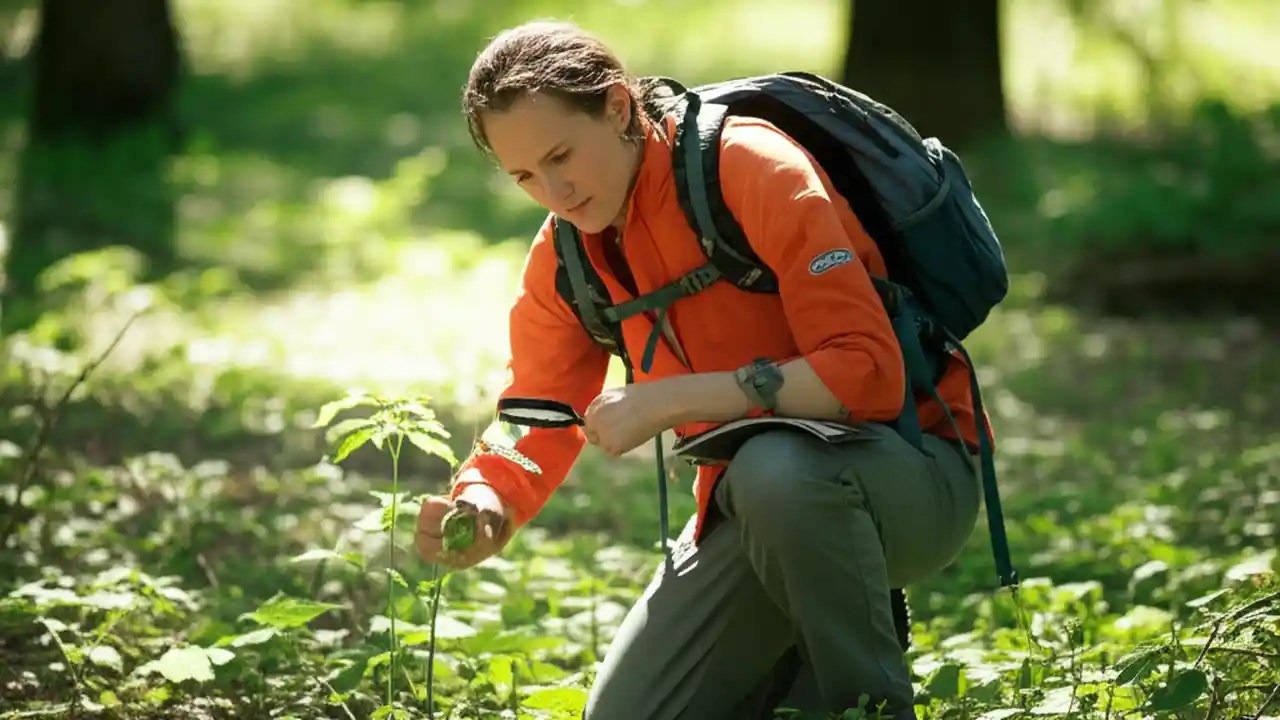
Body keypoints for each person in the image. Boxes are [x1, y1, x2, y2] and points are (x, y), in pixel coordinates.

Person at [415, 19, 988, 720]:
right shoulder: (570, 252)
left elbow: (866, 373)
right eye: (526, 176)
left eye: (562, 154)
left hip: (911, 467)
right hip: (746, 510)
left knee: (775, 469)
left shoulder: (751, 167)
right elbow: (532, 411)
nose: (555, 191)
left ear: (619, 107)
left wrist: (669, 400)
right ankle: (797, 660)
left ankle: (868, 706)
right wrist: (486, 498)